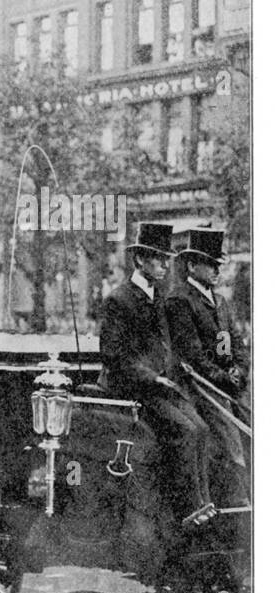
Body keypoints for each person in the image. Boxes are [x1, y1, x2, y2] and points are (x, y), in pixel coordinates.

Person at [99, 222, 214, 527]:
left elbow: (166, 346)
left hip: (159, 386)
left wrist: (177, 372)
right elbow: (114, 356)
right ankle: (186, 507)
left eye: (167, 259)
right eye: (159, 258)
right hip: (131, 387)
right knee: (185, 431)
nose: (165, 264)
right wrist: (153, 378)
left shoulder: (159, 297)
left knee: (201, 427)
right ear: (140, 260)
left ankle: (203, 502)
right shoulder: (118, 300)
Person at [164, 226, 250, 508]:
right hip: (198, 385)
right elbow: (193, 356)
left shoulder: (221, 301)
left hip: (227, 383)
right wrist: (225, 378)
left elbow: (238, 343)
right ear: (192, 265)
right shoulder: (179, 300)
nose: (217, 271)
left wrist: (240, 370)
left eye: (218, 265)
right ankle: (237, 505)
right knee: (230, 439)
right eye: (210, 264)